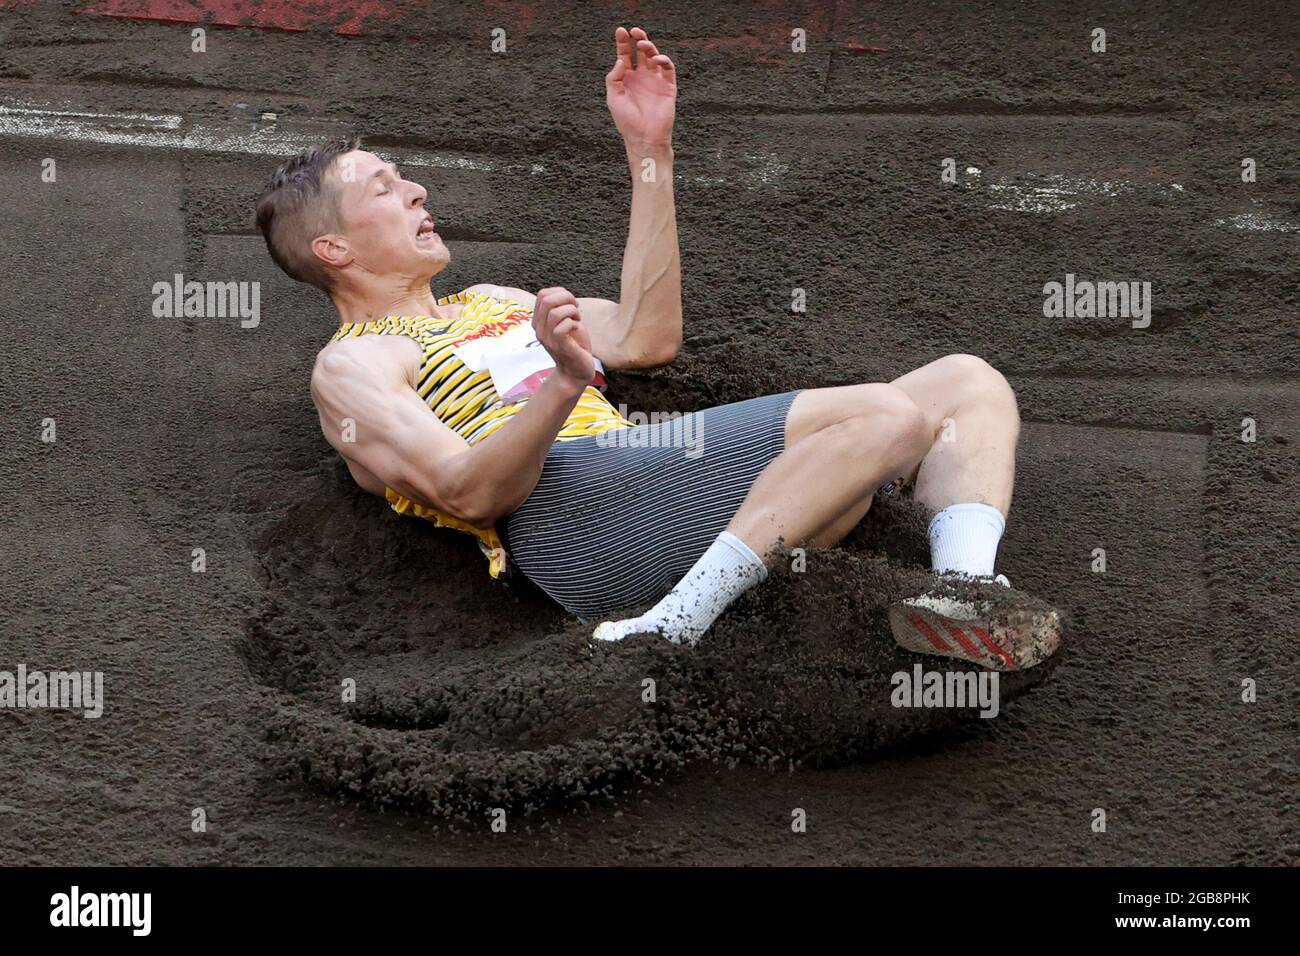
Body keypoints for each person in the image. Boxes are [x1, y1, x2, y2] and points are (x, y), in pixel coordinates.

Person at [253, 27, 1060, 671]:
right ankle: (668, 628)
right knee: (886, 416)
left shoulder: (494, 302)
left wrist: (650, 151)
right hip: (570, 524)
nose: (417, 190)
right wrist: (564, 386)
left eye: (405, 178)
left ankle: (964, 600)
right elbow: (467, 493)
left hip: (646, 475)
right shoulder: (353, 363)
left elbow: (647, 336)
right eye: (383, 188)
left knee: (966, 383)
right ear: (332, 249)